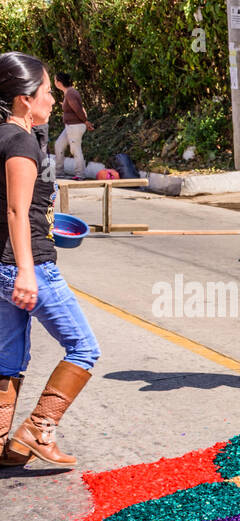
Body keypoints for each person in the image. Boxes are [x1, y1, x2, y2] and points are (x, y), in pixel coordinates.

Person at [0, 52, 99, 469]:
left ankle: (6, 443)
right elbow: (16, 212)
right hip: (28, 266)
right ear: (24, 99)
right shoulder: (19, 140)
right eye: (45, 93)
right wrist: (25, 270)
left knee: (7, 359)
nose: (52, 101)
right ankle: (37, 429)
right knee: (83, 348)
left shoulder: (6, 135)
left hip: (2, 265)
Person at [52, 73, 92, 179]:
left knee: (75, 149)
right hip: (70, 126)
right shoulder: (68, 92)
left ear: (59, 83)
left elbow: (78, 109)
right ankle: (59, 172)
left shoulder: (70, 93)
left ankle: (80, 175)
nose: (54, 82)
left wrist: (86, 121)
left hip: (75, 126)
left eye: (55, 80)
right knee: (59, 144)